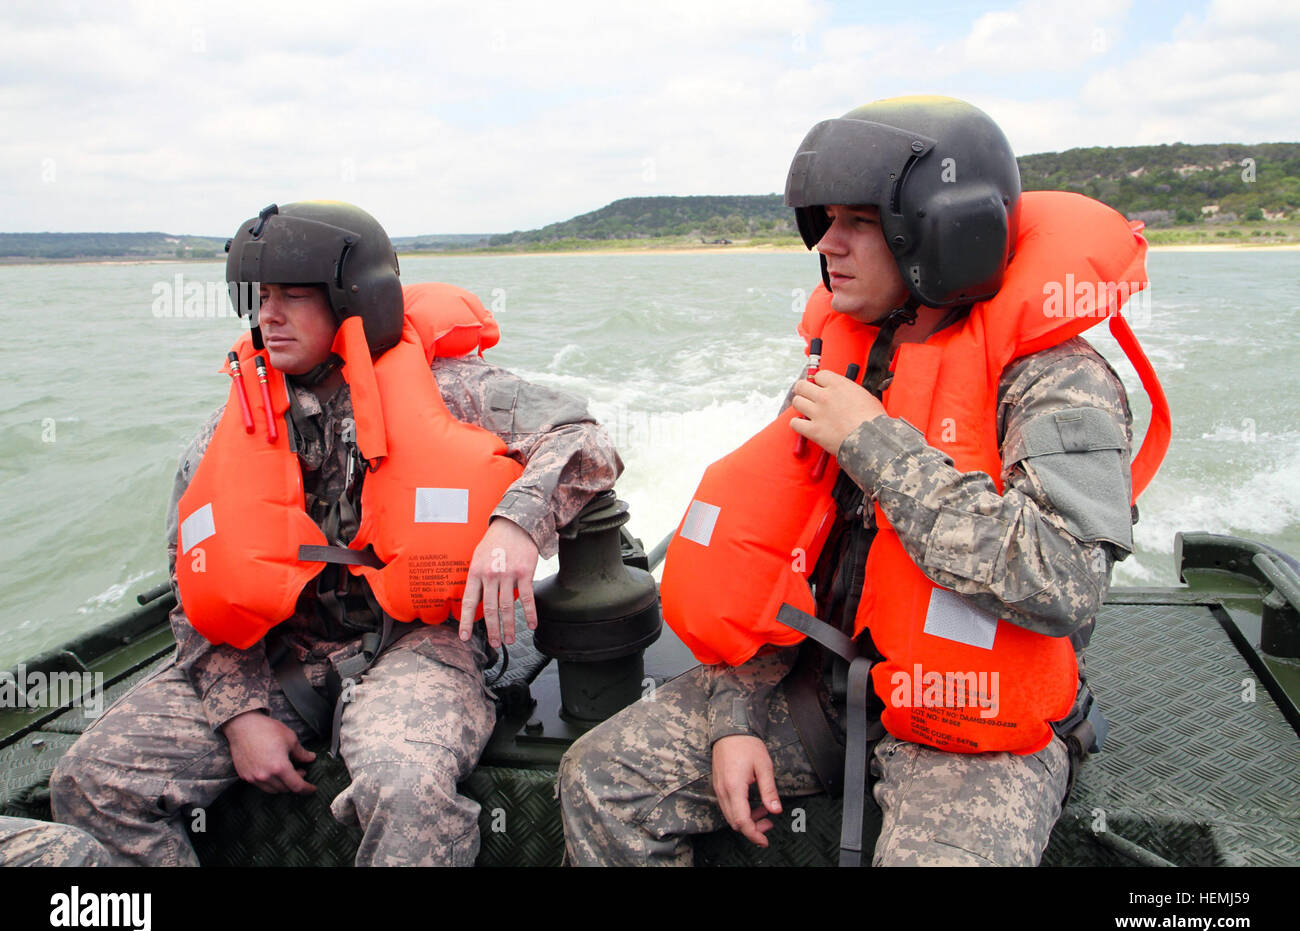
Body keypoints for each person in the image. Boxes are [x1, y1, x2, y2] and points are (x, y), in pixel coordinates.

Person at [559, 96, 1167, 866]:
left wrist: (873, 443)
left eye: (858, 222)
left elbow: (1062, 581)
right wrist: (734, 717)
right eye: (824, 220)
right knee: (601, 778)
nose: (828, 244)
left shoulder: (1056, 379)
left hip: (971, 724)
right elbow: (775, 558)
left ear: (941, 234)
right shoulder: (841, 358)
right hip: (824, 683)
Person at [50, 201, 620, 866]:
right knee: (93, 779)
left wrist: (515, 523)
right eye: (262, 296)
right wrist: (240, 713)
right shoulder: (226, 432)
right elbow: (195, 585)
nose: (269, 315)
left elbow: (584, 440)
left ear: (356, 301)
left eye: (294, 296)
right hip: (270, 655)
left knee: (404, 786)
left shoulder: (453, 391)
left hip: (418, 645)